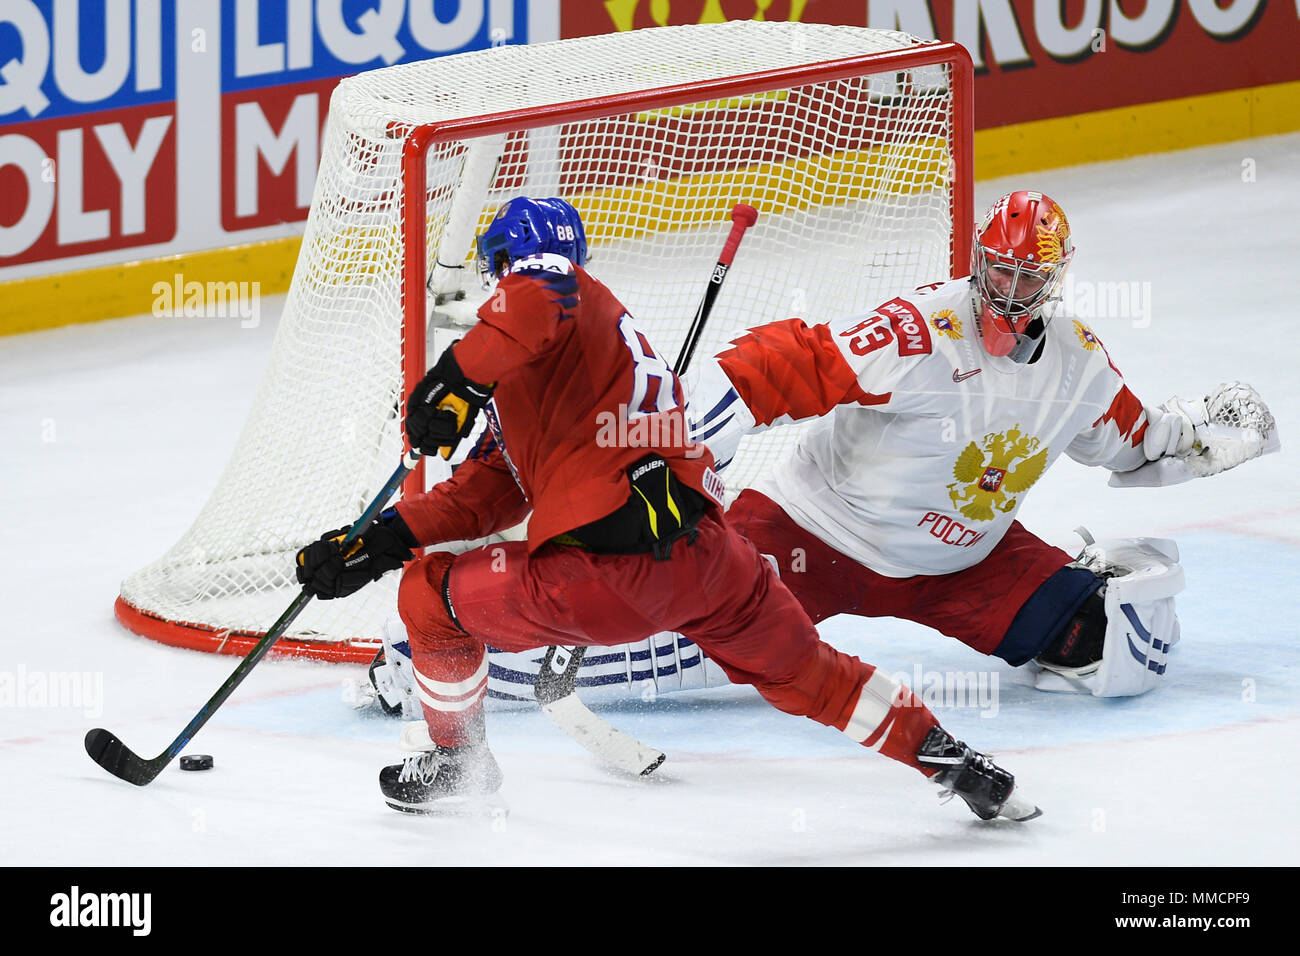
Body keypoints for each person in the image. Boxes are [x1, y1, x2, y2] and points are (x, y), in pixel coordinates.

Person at [295, 196, 1041, 821]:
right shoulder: (578, 362)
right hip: (712, 567)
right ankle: (954, 762)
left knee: (427, 596)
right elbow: (494, 490)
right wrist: (376, 539)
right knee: (812, 674)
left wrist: (454, 378)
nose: (492, 290)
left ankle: (454, 764)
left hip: (598, 579)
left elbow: (534, 295)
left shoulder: (557, 291)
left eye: (496, 271)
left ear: (508, 263)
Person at [684, 190, 1276, 698]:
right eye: (999, 270)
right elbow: (782, 367)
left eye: (1028, 277)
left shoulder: (1080, 365)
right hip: (813, 536)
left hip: (966, 567)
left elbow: (1135, 441)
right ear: (978, 259)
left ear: (1055, 279)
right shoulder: (918, 329)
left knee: (1125, 651)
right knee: (659, 646)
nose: (1009, 290)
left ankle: (1075, 568)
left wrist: (1197, 436)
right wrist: (682, 441)